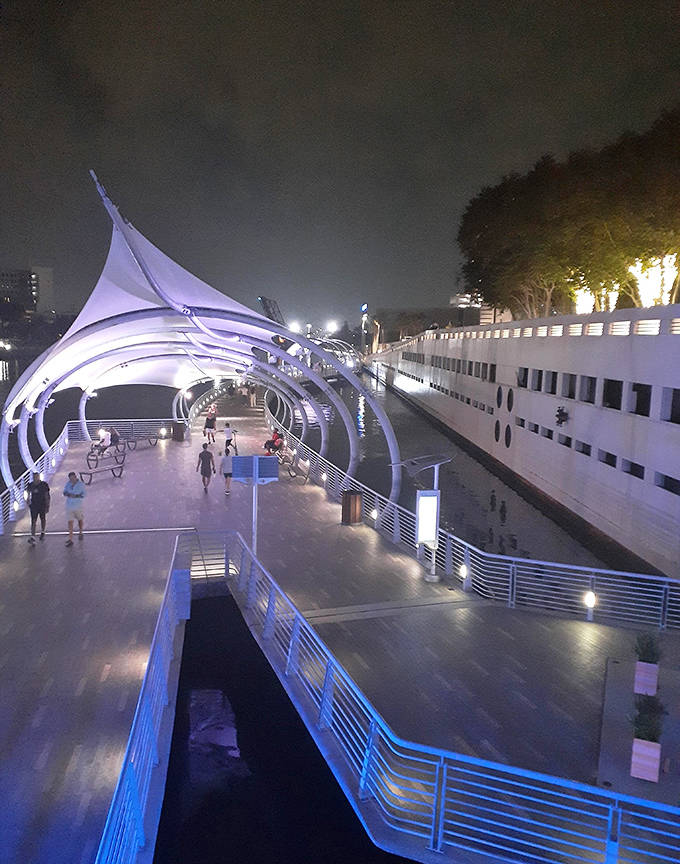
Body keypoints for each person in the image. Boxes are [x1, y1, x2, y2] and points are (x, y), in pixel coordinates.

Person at [63, 471, 86, 546]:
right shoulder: (68, 484)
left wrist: (76, 496)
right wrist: (68, 494)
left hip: (78, 505)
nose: (71, 480)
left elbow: (84, 494)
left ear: (75, 477)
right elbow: (64, 492)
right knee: (70, 522)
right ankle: (70, 538)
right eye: (70, 479)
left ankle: (80, 532)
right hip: (69, 505)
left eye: (72, 478)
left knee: (80, 519)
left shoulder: (81, 485)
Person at [27, 474, 50, 544]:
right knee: (33, 520)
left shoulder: (44, 484)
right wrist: (28, 500)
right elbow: (28, 493)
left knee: (42, 518)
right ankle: (32, 536)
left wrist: (47, 505)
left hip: (42, 504)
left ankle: (42, 531)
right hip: (34, 505)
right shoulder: (30, 485)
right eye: (34, 477)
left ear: (39, 477)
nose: (35, 478)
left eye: (36, 477)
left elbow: (47, 495)